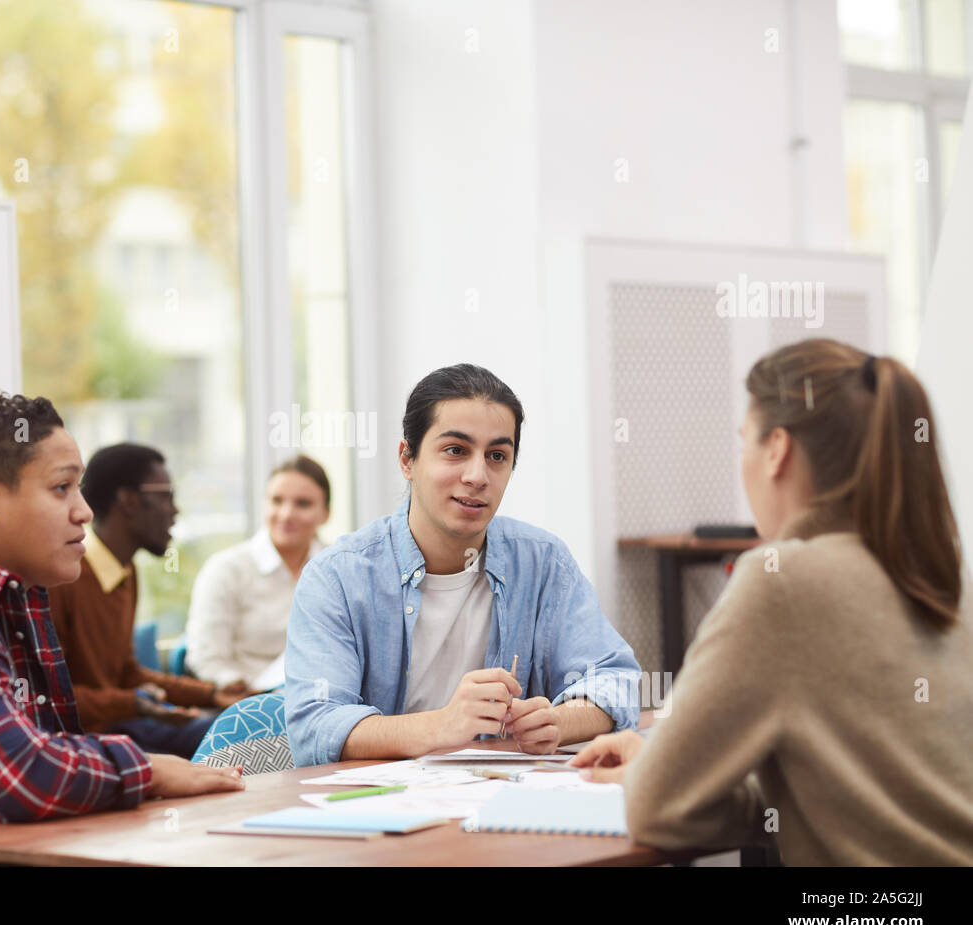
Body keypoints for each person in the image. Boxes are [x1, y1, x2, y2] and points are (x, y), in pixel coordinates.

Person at [572, 339, 973, 865]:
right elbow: (879, 792)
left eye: (745, 443)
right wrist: (657, 767)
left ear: (777, 449)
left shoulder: (783, 581)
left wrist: (652, 777)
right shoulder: (939, 576)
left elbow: (655, 809)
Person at [0, 388, 244, 822]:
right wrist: (148, 769)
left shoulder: (13, 594)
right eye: (61, 488)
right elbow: (14, 774)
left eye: (78, 488)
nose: (84, 512)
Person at [286, 364, 641, 767]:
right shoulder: (336, 577)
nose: (477, 476)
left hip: (506, 803)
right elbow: (315, 726)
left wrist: (559, 721)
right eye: (455, 451)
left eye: (497, 456)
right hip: (381, 812)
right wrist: (442, 726)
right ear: (407, 459)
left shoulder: (543, 562)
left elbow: (615, 680)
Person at [48, 443, 252, 759]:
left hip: (126, 724)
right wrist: (134, 703)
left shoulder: (125, 570)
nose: (175, 511)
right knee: (219, 752)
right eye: (166, 496)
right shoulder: (62, 579)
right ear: (129, 500)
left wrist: (213, 693)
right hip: (86, 741)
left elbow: (127, 672)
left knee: (244, 730)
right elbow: (52, 698)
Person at [186, 456, 330, 688]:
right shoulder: (226, 569)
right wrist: (240, 689)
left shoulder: (339, 568)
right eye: (276, 501)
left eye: (303, 503)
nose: (286, 514)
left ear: (325, 514)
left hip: (322, 700)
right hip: (248, 702)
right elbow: (207, 658)